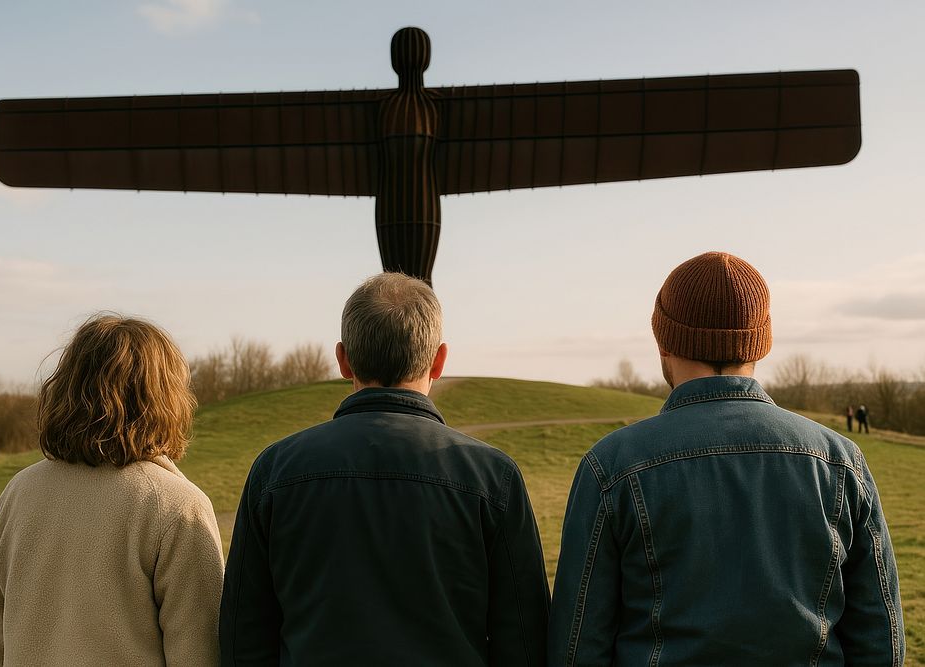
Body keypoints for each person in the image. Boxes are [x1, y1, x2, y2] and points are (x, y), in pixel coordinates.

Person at [548, 252, 904, 666]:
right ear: (762, 343)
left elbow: (577, 646)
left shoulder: (612, 466)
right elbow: (881, 639)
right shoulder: (840, 461)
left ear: (663, 341)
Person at [220, 272, 550, 666]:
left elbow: (244, 636)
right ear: (439, 360)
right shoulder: (494, 478)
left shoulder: (274, 472)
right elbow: (526, 641)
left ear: (343, 360)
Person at [0, 314, 224, 666]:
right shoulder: (178, 507)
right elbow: (199, 654)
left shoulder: (19, 492)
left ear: (66, 387)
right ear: (165, 397)